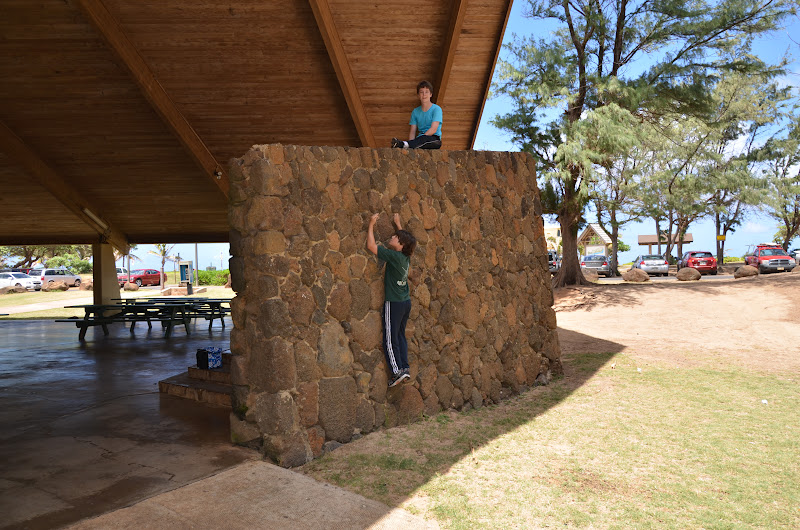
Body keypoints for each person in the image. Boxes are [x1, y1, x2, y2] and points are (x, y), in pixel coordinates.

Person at [366, 212, 418, 387]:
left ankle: (396, 373)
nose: (393, 237)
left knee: (389, 339)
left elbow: (371, 246)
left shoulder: (395, 257)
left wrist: (371, 223)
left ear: (401, 244)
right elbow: (406, 240)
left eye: (395, 237)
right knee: (400, 336)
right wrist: (398, 223)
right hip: (405, 303)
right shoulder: (405, 257)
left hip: (394, 303)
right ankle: (404, 368)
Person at [391, 80, 442, 150]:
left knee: (424, 140)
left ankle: (403, 144)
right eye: (421, 92)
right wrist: (412, 143)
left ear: (431, 94)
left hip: (434, 139)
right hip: (419, 141)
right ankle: (407, 145)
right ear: (418, 95)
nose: (424, 95)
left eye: (426, 92)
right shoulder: (415, 112)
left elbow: (433, 129)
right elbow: (412, 132)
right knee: (419, 141)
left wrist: (418, 140)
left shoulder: (436, 109)